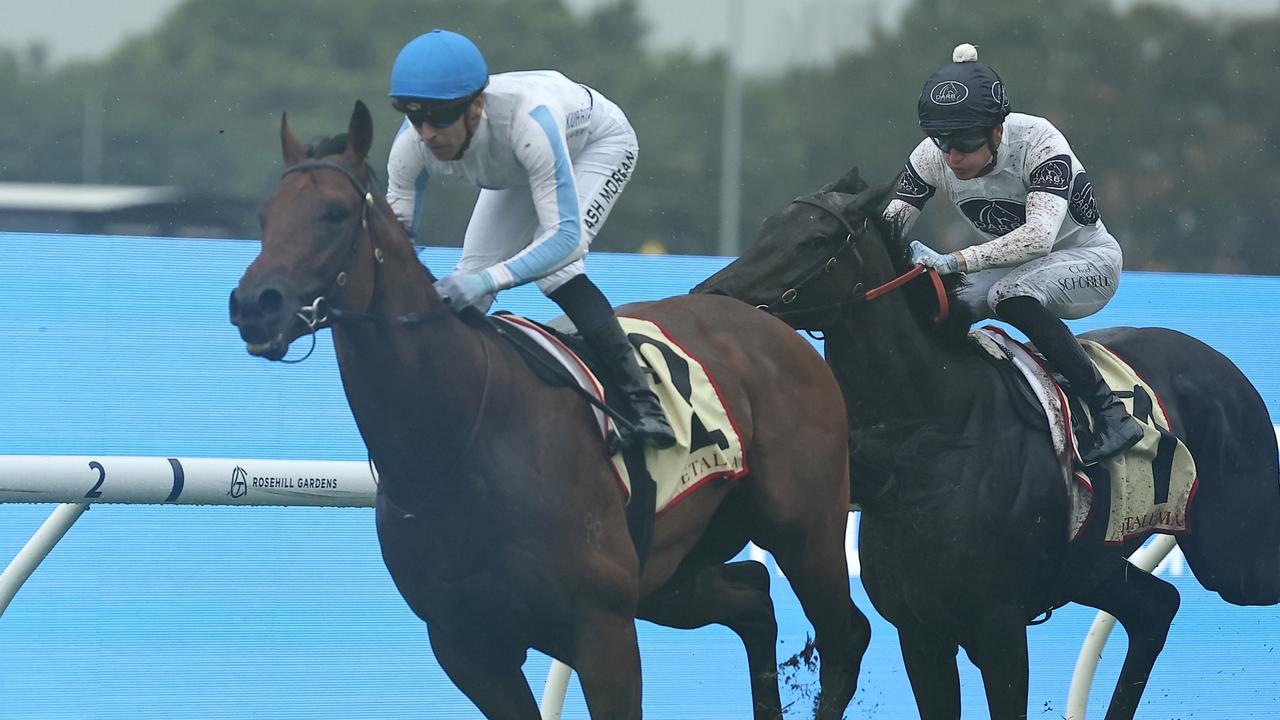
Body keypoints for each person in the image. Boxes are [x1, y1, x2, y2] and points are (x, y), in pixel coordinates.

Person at [385, 28, 675, 449]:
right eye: (416, 118)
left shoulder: (528, 123)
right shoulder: (409, 146)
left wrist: (489, 280)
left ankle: (644, 406)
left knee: (557, 271)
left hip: (595, 144)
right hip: (519, 165)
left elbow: (566, 239)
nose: (428, 134)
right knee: (469, 277)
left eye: (441, 117)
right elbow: (395, 245)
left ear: (477, 106)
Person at [883, 42, 1143, 465]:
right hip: (1015, 269)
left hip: (1088, 262)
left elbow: (1038, 239)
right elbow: (890, 227)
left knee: (1008, 294)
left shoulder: (1040, 142)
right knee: (937, 302)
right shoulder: (933, 156)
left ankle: (1111, 414)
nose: (952, 156)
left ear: (998, 129)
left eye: (964, 141)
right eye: (941, 140)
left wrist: (955, 261)